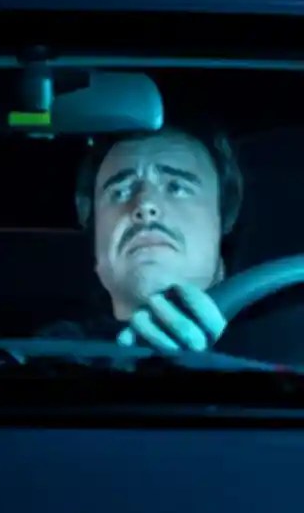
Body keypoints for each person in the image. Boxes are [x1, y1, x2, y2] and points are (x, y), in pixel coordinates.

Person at [41, 122, 244, 351]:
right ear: (90, 218)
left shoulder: (280, 338)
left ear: (226, 212)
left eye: (177, 187)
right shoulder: (48, 359)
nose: (145, 205)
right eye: (120, 191)